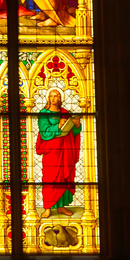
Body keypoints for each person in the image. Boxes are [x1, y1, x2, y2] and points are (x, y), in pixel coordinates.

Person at [36, 88, 81, 216]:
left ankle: (61, 207)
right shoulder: (43, 114)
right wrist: (58, 126)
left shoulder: (65, 113)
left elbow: (73, 133)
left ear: (60, 98)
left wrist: (77, 125)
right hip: (51, 152)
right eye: (51, 96)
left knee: (64, 178)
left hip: (65, 151)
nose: (54, 98)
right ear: (48, 98)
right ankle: (48, 207)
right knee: (50, 179)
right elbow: (44, 132)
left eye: (56, 96)